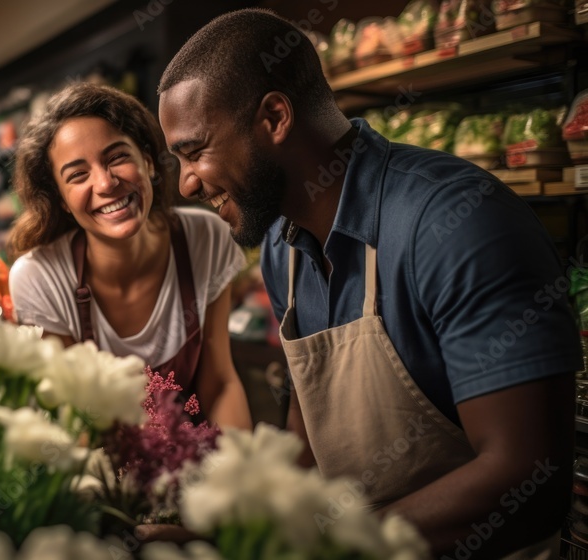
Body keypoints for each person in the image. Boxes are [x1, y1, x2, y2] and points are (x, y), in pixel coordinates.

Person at [157, 8, 579, 558]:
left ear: (276, 117)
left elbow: (528, 479)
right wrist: (229, 533)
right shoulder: (283, 250)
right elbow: (308, 450)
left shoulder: (455, 224)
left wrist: (316, 541)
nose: (187, 183)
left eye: (194, 151)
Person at [8, 82, 252, 430]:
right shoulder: (39, 277)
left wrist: (241, 473)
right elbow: (72, 420)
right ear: (62, 199)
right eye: (78, 175)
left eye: (117, 157)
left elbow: (220, 384)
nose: (106, 184)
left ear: (149, 162)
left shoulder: (205, 237)